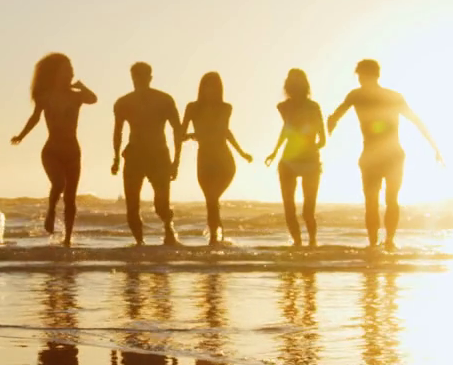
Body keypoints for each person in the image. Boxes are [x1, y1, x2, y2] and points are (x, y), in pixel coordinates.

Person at [326, 58, 442, 250]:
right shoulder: (387, 96)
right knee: (382, 201)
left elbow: (336, 116)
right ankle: (383, 242)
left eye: (362, 76)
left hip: (382, 155)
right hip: (387, 155)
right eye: (360, 77)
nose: (361, 80)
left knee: (380, 201)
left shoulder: (360, 95)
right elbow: (417, 121)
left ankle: (381, 242)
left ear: (369, 76)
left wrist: (330, 124)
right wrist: (435, 148)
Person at [10, 52, 97, 246]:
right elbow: (35, 118)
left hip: (73, 151)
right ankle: (50, 210)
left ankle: (67, 238)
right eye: (67, 69)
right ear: (56, 73)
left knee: (71, 198)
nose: (71, 72)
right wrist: (21, 136)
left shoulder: (76, 96)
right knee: (59, 184)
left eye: (72, 69)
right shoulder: (45, 97)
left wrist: (81, 85)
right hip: (52, 151)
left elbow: (93, 99)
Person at [110, 62, 183, 246]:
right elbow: (117, 132)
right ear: (132, 78)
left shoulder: (164, 100)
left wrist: (176, 161)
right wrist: (116, 158)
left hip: (159, 155)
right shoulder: (123, 102)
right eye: (136, 77)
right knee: (132, 207)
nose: (139, 81)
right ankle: (140, 244)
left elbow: (177, 130)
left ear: (150, 78)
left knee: (161, 205)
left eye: (143, 77)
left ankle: (168, 229)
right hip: (134, 155)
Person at [182, 72, 251, 245]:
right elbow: (180, 133)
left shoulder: (225, 108)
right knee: (211, 201)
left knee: (212, 199)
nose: (210, 90)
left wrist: (242, 153)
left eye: (214, 87)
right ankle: (216, 239)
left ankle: (214, 238)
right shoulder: (192, 108)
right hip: (204, 159)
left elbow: (223, 131)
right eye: (207, 86)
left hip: (224, 160)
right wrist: (177, 158)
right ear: (202, 88)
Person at [262, 67, 325, 247]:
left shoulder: (314, 107)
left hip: (311, 161)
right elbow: (288, 129)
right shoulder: (283, 107)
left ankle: (312, 243)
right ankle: (298, 243)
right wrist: (274, 152)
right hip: (288, 161)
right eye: (293, 83)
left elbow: (322, 137)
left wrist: (314, 146)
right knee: (289, 208)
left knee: (308, 211)